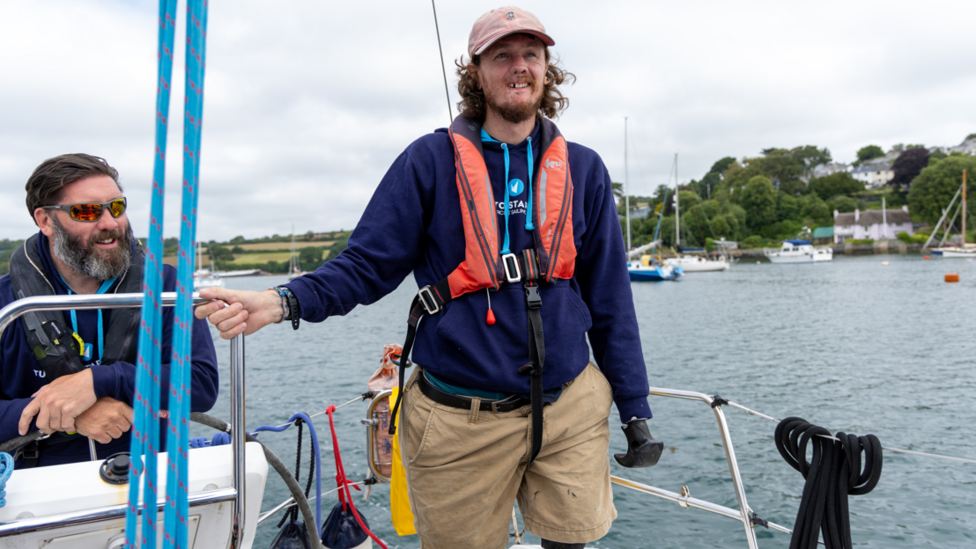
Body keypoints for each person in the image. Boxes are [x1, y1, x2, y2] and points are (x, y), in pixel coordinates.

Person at [196, 7, 661, 548]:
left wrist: (634, 408)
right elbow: (366, 265)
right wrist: (283, 301)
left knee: (570, 540)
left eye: (531, 54)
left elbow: (610, 299)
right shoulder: (428, 161)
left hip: (570, 409)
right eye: (502, 55)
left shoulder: (584, 169)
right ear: (476, 72)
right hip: (460, 421)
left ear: (546, 68)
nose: (519, 66)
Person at [0, 153, 219, 467]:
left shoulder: (165, 285)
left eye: (116, 207)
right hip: (34, 481)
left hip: (150, 472)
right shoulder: (6, 303)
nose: (110, 223)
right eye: (87, 211)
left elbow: (200, 384)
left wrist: (103, 380)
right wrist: (72, 414)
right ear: (45, 221)